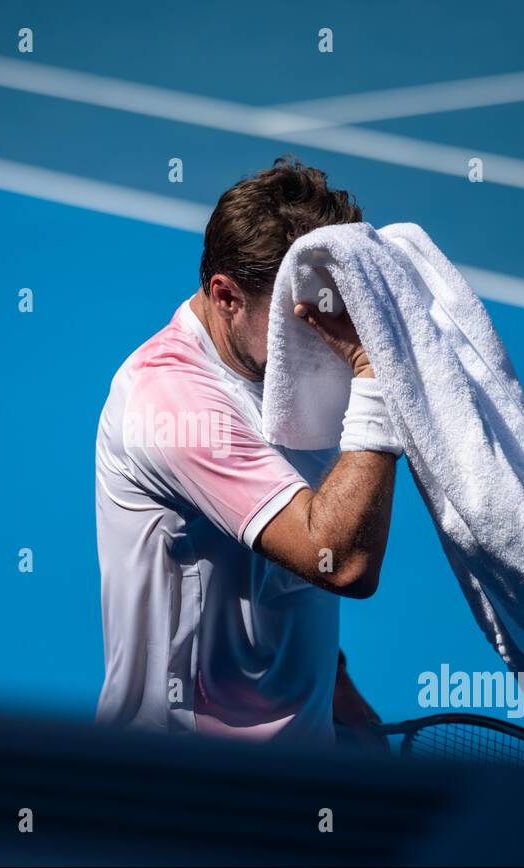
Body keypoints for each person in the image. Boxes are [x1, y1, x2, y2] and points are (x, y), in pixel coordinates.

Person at [94, 157, 399, 749]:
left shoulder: (292, 364)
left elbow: (282, 558)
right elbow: (341, 559)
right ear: (226, 296)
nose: (323, 333)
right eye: (296, 319)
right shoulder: (173, 405)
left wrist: (333, 680)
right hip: (186, 788)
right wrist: (374, 375)